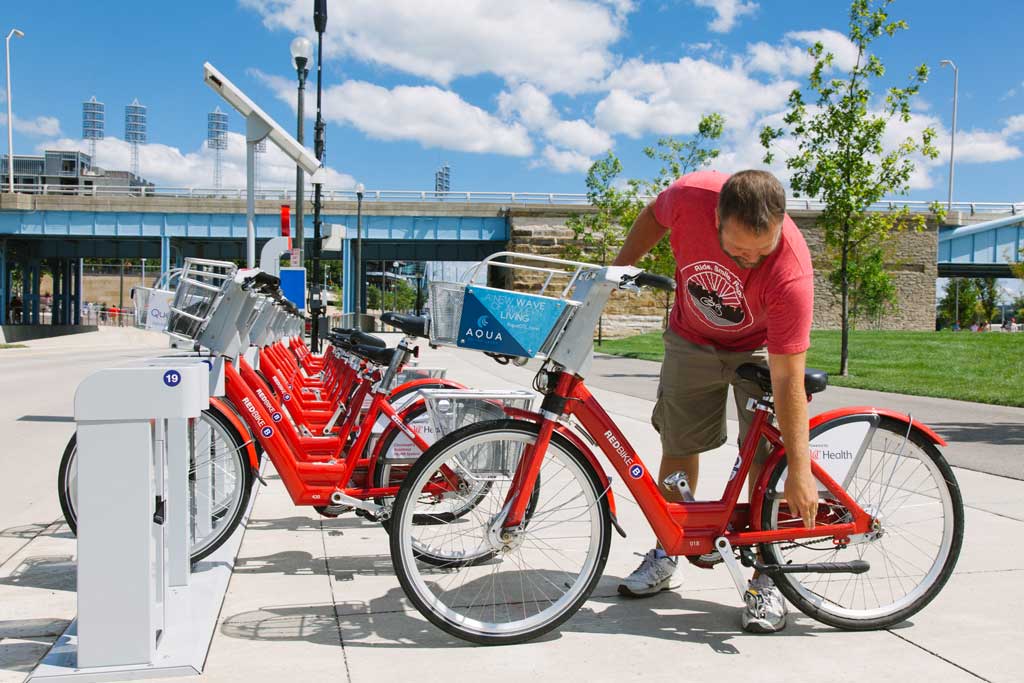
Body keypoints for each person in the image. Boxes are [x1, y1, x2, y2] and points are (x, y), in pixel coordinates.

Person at [611, 169, 818, 634]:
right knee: (679, 442)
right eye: (738, 249)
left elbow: (788, 380)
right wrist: (621, 267)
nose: (749, 261)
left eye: (760, 251)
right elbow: (652, 215)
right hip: (691, 336)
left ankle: (768, 576)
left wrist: (801, 471)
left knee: (768, 459)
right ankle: (669, 549)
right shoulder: (689, 197)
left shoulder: (791, 273)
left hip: (761, 346)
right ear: (716, 218)